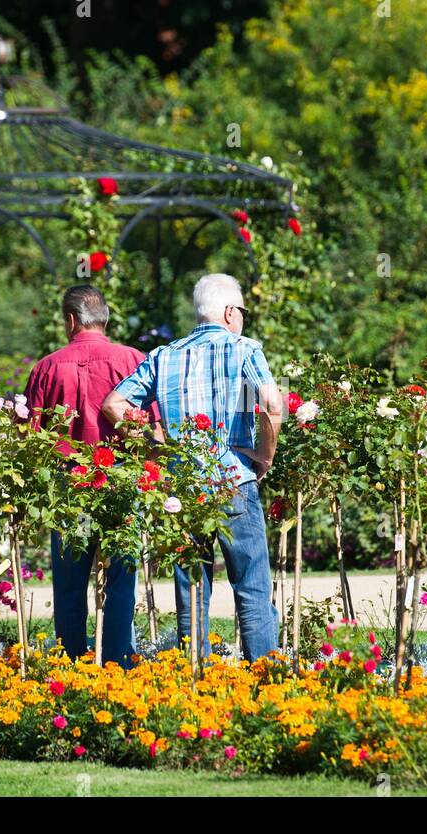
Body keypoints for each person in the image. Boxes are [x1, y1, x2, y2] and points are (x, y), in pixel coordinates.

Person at [101, 273, 284, 661]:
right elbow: (272, 405)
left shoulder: (164, 355)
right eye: (243, 312)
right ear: (230, 312)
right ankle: (268, 683)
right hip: (235, 480)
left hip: (182, 491)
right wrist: (264, 456)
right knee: (251, 587)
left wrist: (155, 446)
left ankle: (192, 679)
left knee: (192, 592)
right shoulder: (245, 350)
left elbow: (114, 404)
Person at [24, 285, 157, 665]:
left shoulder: (48, 367)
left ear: (70, 320)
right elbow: (153, 425)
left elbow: (32, 439)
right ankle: (118, 662)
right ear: (105, 319)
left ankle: (71, 663)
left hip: (69, 485)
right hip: (121, 478)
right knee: (120, 580)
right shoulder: (133, 359)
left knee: (69, 583)